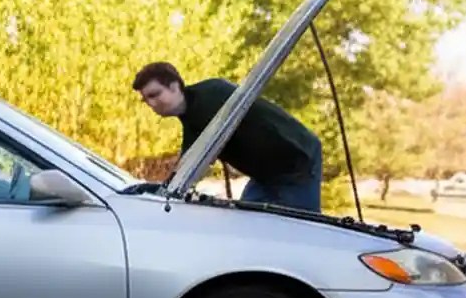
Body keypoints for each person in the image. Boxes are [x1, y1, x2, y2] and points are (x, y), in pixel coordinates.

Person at [132, 61, 324, 212]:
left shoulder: (213, 93)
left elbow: (198, 155)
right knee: (246, 225)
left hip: (298, 163)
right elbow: (188, 163)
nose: (151, 103)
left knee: (300, 231)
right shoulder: (191, 119)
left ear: (174, 87)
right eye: (146, 99)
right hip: (265, 176)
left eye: (155, 94)